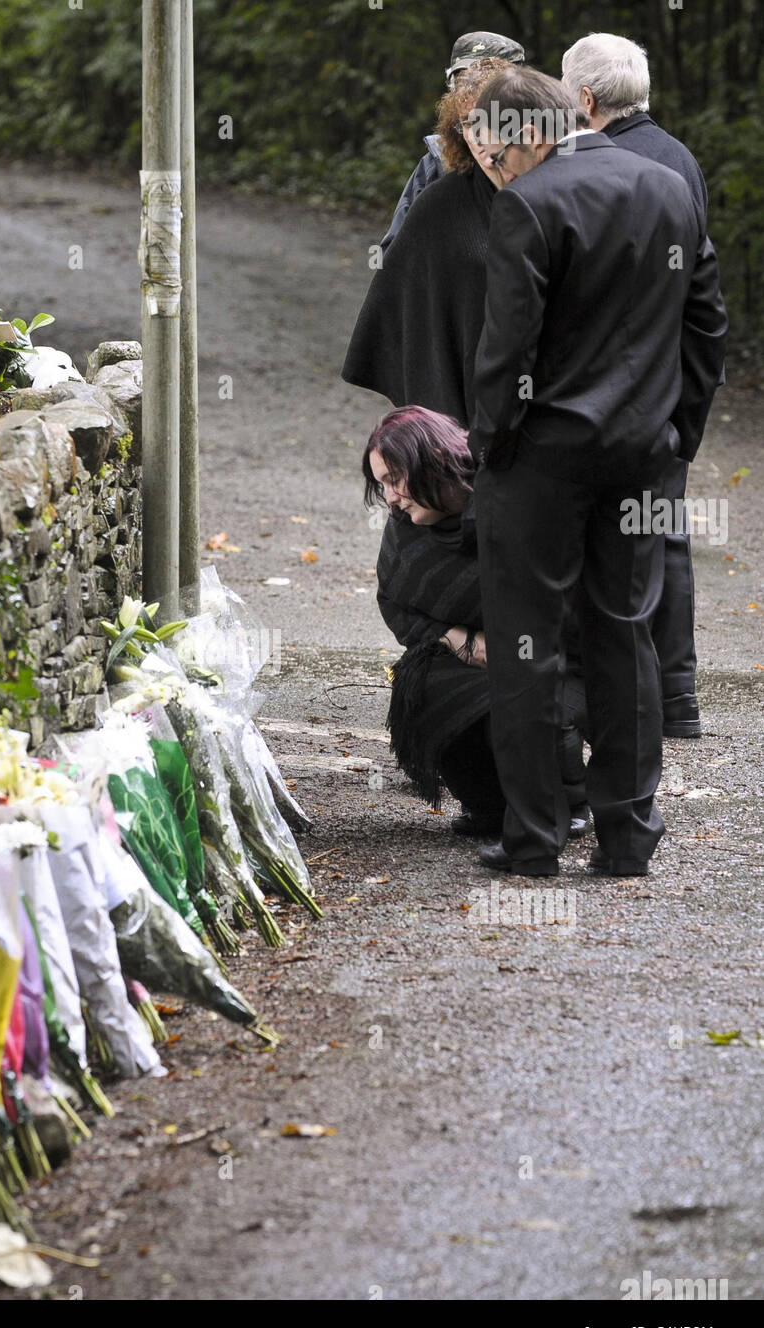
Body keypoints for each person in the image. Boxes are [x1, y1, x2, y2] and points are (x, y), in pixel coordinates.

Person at [466, 67, 728, 877]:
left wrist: (490, 444)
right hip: (641, 455)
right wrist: (675, 433)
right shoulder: (666, 188)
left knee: (527, 643)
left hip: (542, 457)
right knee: (625, 632)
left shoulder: (528, 204)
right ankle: (626, 834)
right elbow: (705, 326)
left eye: (496, 150)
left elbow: (507, 348)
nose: (494, 167)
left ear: (524, 135)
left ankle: (536, 838)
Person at [562, 32, 715, 738]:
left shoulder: (583, 165)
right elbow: (701, 305)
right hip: (666, 393)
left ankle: (599, 695)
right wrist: (688, 413)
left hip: (597, 397)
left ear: (584, 98)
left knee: (591, 543)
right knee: (665, 536)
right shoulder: (679, 159)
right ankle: (675, 695)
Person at [363, 405, 589, 837]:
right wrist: (460, 639)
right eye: (381, 484)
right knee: (426, 687)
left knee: (523, 694)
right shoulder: (405, 525)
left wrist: (513, 645)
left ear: (432, 463)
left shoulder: (510, 505)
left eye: (395, 479)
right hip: (470, 654)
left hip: (558, 655)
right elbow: (395, 605)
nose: (390, 497)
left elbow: (571, 600)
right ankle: (488, 805)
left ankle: (568, 796)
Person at [343, 56, 511, 420]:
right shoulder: (440, 202)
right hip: (460, 403)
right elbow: (397, 296)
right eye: (469, 125)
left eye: (491, 123)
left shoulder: (554, 194)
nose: (481, 139)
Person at [379, 30, 525, 251]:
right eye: (464, 81)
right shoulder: (437, 161)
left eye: (490, 81)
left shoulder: (541, 154)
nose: (475, 89)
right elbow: (395, 253)